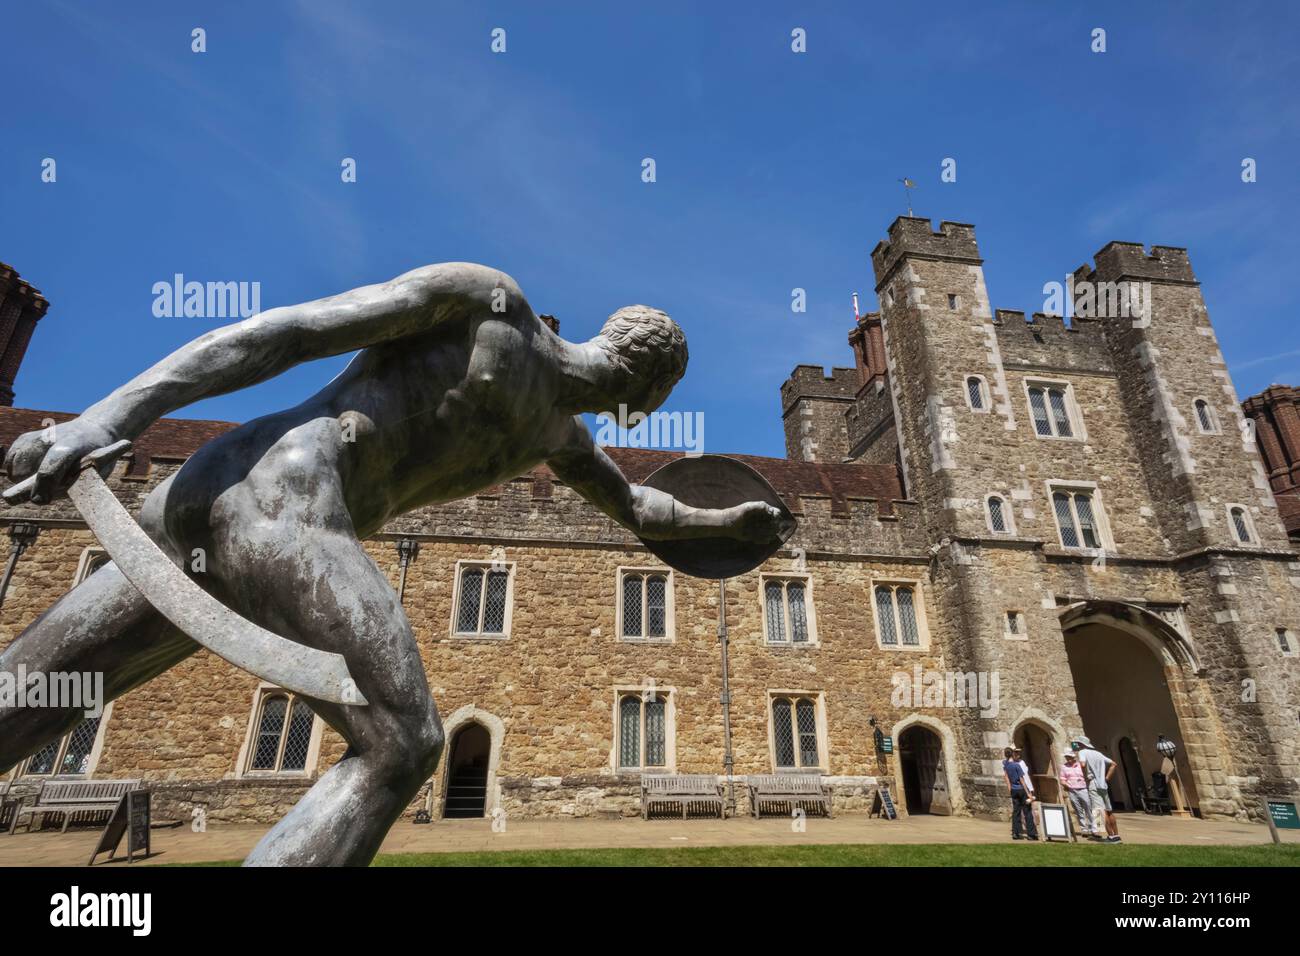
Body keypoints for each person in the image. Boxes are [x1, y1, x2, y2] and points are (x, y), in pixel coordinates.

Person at [0, 263, 789, 866]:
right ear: (651, 389)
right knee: (404, 742)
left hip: (205, 494)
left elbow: (645, 508)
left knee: (27, 698)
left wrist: (732, 519)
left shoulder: (561, 433)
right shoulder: (492, 305)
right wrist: (109, 416)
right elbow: (292, 331)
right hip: (288, 502)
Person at [1074, 736, 1122, 843]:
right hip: (1103, 784)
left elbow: (1082, 764)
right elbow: (1114, 764)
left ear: (1082, 744)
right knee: (1109, 810)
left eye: (1078, 743)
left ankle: (1110, 837)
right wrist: (1107, 777)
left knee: (1099, 811)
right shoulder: (1098, 754)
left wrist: (1085, 776)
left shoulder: (1082, 752)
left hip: (1093, 783)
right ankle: (1116, 836)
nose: (1077, 745)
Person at [1003, 746, 1038, 840]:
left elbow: (1006, 777)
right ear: (1012, 754)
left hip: (1014, 790)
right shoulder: (1016, 765)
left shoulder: (1006, 765)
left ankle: (1016, 833)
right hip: (1021, 790)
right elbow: (1022, 780)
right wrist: (1028, 793)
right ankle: (1031, 834)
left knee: (1016, 812)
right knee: (1027, 812)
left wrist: (1010, 789)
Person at [1059, 750, 1093, 837]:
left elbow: (1088, 775)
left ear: (1073, 757)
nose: (1068, 759)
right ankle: (1084, 829)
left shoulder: (1080, 765)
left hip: (1083, 788)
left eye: (1069, 757)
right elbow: (1062, 779)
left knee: (1088, 807)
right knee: (1078, 810)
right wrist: (1066, 784)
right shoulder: (1064, 767)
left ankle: (1093, 828)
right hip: (1072, 790)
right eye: (1067, 757)